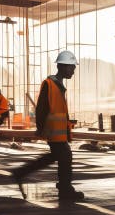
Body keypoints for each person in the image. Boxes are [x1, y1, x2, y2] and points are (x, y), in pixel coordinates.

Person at [12, 51, 83, 201]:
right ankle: (65, 190)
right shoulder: (49, 84)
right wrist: (40, 127)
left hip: (59, 132)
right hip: (53, 132)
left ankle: (21, 173)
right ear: (62, 67)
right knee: (65, 156)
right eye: (71, 68)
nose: (73, 71)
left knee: (57, 157)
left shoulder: (59, 85)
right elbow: (41, 108)